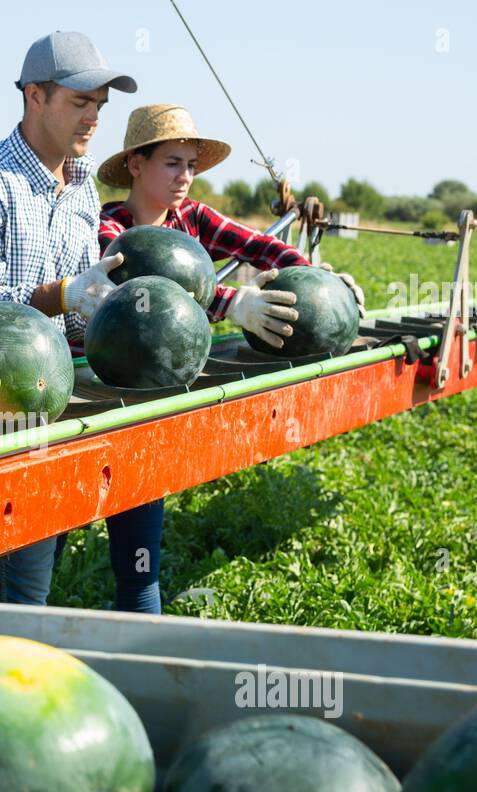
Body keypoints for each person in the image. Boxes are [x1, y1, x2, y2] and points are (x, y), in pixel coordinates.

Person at [94, 103, 366, 613]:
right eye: (173, 163)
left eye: (192, 166)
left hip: (168, 388)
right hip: (112, 386)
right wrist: (230, 303)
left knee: (140, 549)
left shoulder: (193, 218)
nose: (185, 177)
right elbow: (141, 290)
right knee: (54, 535)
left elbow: (268, 248)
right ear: (135, 164)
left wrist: (322, 282)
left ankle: (138, 649)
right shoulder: (112, 228)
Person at [0, 30, 135, 605]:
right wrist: (64, 294)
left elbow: (77, 311)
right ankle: (7, 672)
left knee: (42, 548)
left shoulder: (83, 190)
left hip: (42, 394)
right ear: (34, 95)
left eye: (100, 107)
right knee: (27, 579)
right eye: (80, 102)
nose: (93, 119)